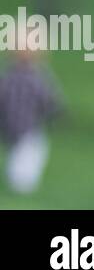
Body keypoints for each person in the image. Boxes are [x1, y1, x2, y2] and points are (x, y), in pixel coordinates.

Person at [0, 29, 64, 195]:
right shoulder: (39, 77)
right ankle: (21, 185)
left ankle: (17, 180)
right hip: (29, 128)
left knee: (18, 154)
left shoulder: (7, 77)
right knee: (31, 154)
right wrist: (57, 113)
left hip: (10, 128)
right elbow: (49, 99)